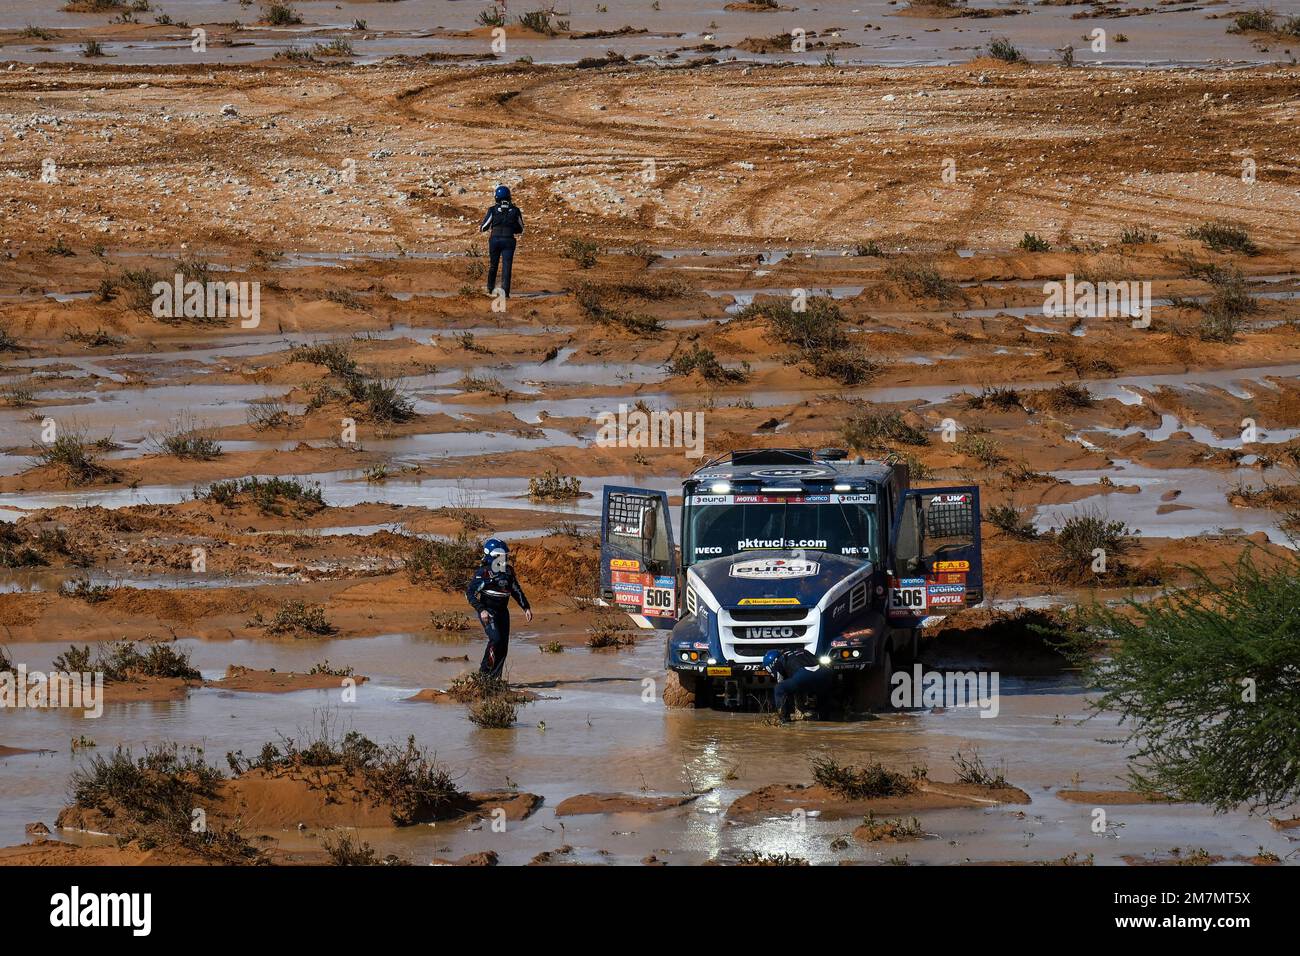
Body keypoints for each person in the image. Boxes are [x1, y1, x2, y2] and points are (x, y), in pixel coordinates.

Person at [466, 537, 532, 679]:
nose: (503, 559)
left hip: (503, 612)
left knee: (503, 646)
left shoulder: (508, 571)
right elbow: (470, 593)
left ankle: (495, 680)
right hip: (488, 611)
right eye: (500, 556)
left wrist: (525, 607)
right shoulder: (483, 573)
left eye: (505, 556)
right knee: (495, 639)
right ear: (491, 556)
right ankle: (483, 676)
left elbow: (516, 590)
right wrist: (481, 609)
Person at [478, 185, 525, 298]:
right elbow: (521, 228)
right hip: (509, 240)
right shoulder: (515, 210)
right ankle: (505, 293)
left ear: (496, 197)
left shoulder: (492, 210)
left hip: (495, 240)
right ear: (509, 197)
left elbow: (484, 227)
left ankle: (490, 288)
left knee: (493, 265)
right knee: (507, 266)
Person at [763, 648, 828, 723]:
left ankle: (784, 719)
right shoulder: (802, 651)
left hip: (804, 675)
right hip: (825, 674)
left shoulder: (780, 659)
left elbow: (781, 682)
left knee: (779, 688)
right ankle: (824, 715)